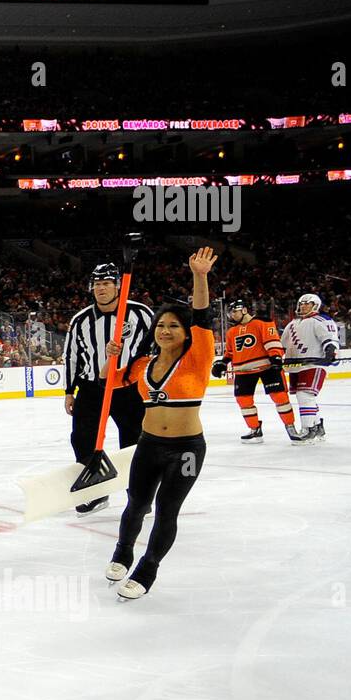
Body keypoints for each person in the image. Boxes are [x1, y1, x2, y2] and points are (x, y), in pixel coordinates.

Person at [105, 248, 218, 600]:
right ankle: (123, 551)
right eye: (161, 325)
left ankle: (147, 569)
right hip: (149, 445)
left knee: (167, 510)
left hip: (185, 450)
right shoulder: (142, 365)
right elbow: (113, 381)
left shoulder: (198, 358)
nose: (165, 331)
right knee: (136, 504)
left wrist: (200, 277)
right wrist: (111, 358)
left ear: (186, 333)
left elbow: (202, 315)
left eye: (173, 326)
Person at [62, 262, 154, 513]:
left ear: (118, 286)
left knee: (134, 441)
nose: (101, 289)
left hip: (128, 388)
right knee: (82, 439)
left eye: (106, 284)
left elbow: (155, 347)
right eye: (97, 284)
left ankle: (138, 495)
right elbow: (71, 356)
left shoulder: (140, 314)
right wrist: (69, 391)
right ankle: (96, 492)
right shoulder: (81, 320)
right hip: (92, 389)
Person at [212, 300, 305, 442]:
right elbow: (230, 352)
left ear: (243, 310)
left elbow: (272, 341)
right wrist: (222, 363)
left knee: (280, 397)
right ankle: (255, 429)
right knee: (243, 400)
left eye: (234, 312)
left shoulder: (262, 322)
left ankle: (290, 427)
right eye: (230, 313)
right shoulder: (231, 331)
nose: (232, 316)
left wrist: (275, 358)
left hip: (267, 367)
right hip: (243, 370)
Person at [281, 293, 340, 441]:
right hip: (295, 365)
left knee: (305, 395)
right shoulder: (292, 323)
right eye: (301, 303)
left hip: (313, 364)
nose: (303, 306)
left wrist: (330, 350)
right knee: (307, 397)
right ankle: (318, 426)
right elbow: (282, 344)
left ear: (315, 306)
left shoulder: (321, 320)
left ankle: (308, 429)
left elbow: (330, 339)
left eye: (307, 303)